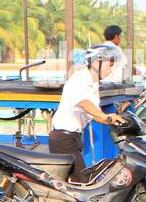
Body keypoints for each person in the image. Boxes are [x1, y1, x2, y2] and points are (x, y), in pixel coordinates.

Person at [48, 45, 126, 182]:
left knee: (74, 181)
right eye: (109, 64)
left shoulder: (93, 84)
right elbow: (83, 102)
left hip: (73, 138)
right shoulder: (80, 79)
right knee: (82, 181)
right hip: (63, 139)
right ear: (96, 62)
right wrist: (104, 116)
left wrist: (116, 121)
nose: (111, 69)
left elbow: (96, 115)